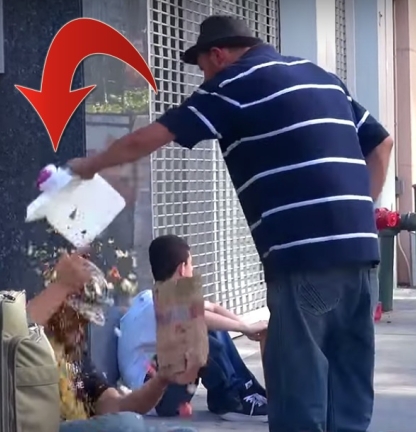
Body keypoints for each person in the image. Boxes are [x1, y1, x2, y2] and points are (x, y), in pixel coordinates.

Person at [65, 15, 392, 432]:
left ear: (218, 55)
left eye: (203, 68)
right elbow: (382, 144)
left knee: (299, 396)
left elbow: (148, 138)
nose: (204, 79)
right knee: (349, 395)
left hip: (304, 260)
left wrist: (91, 165)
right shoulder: (321, 77)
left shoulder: (233, 83)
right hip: (362, 257)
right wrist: (358, 214)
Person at [26, 253, 198, 432]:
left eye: (85, 323)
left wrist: (161, 379)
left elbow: (118, 406)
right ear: (57, 310)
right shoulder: (25, 347)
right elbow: (17, 329)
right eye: (76, 319)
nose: (80, 330)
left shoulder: (74, 357)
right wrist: (62, 286)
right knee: (127, 424)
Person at [118, 234, 269, 421]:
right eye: (192, 265)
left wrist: (247, 328)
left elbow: (213, 308)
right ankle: (230, 401)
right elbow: (201, 319)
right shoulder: (157, 305)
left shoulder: (155, 297)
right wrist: (245, 328)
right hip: (152, 397)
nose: (193, 270)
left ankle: (246, 389)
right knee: (200, 337)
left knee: (213, 326)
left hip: (156, 381)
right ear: (182, 269)